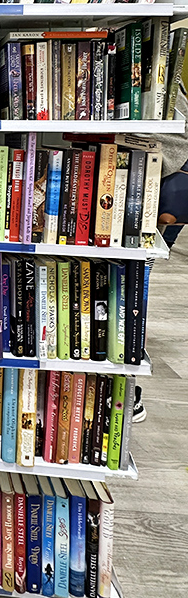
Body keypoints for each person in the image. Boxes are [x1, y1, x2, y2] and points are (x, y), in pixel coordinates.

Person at [133, 83, 188, 423]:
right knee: (135, 284)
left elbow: (176, 135)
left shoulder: (156, 73)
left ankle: (126, 387)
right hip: (143, 183)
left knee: (132, 285)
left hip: (146, 189)